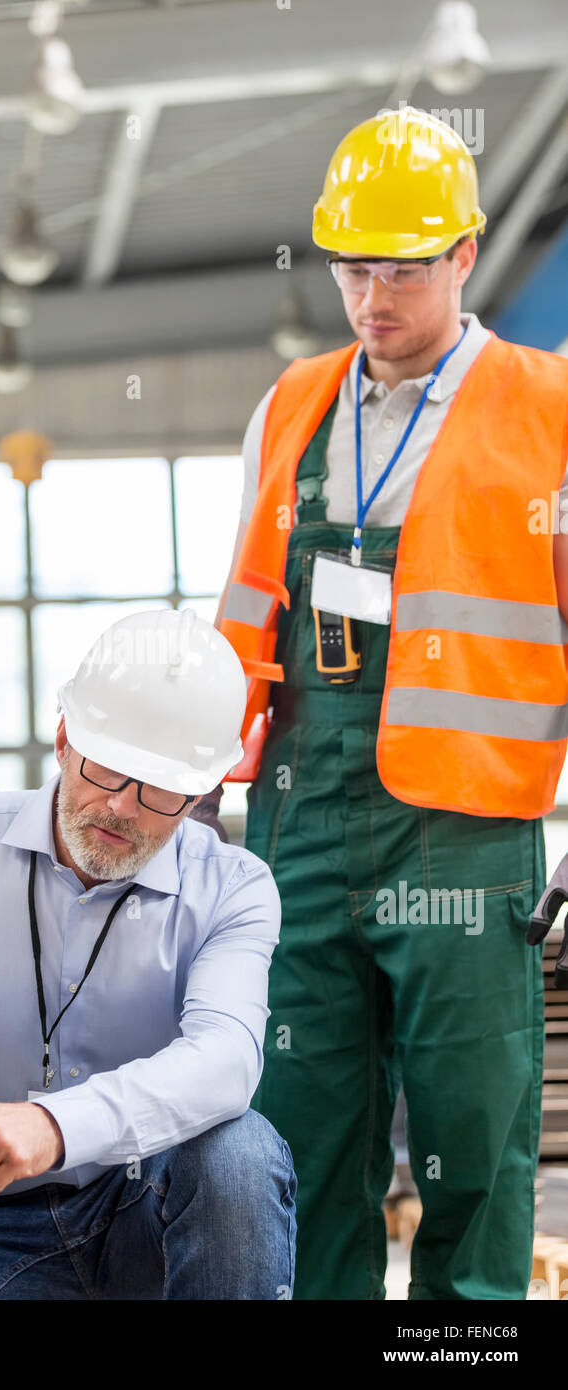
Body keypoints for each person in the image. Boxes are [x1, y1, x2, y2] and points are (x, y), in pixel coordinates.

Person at [212, 106, 568, 1300]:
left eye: (402, 270)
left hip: (463, 821)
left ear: (463, 257)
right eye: (352, 268)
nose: (372, 298)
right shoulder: (291, 406)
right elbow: (240, 610)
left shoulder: (546, 408)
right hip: (298, 817)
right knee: (300, 1130)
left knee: (470, 1136)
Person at [0, 607, 296, 1300]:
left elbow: (226, 1061)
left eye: (161, 790)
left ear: (203, 792)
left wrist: (56, 1125)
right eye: (108, 770)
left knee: (240, 1153)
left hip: (151, 1218)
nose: (123, 809)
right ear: (62, 739)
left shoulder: (233, 890)